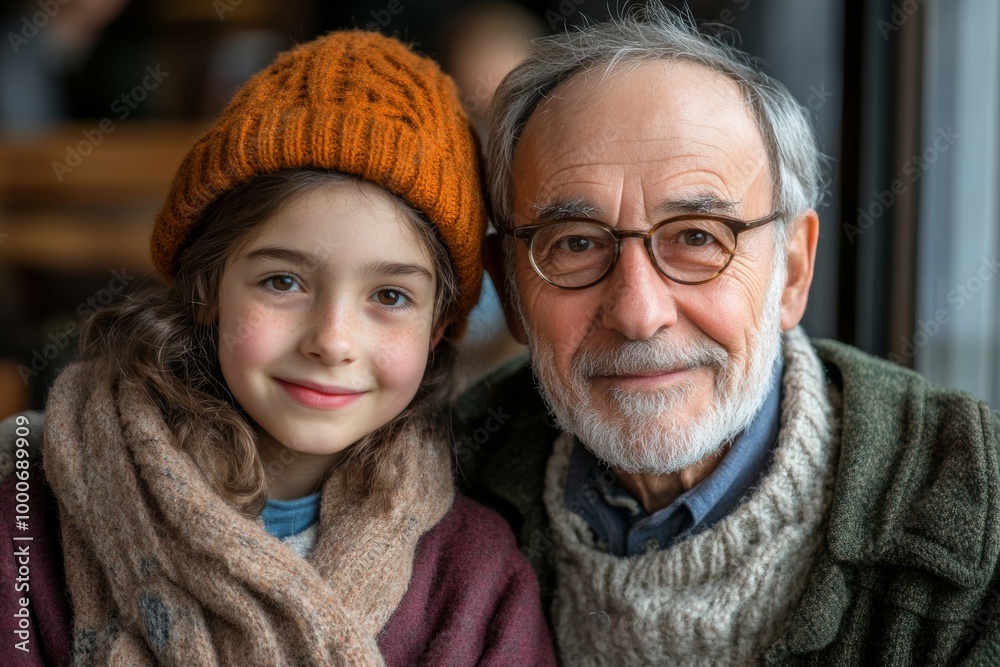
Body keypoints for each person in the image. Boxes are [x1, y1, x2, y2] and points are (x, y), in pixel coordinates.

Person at [453, 4, 1000, 665]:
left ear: (792, 270)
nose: (639, 311)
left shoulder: (978, 509)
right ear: (509, 289)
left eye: (695, 238)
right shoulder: (439, 484)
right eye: (575, 243)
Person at [0, 31, 555, 666]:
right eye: (282, 282)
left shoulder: (477, 582)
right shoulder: (30, 520)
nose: (332, 341)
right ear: (207, 287)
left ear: (437, 327)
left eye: (391, 297)